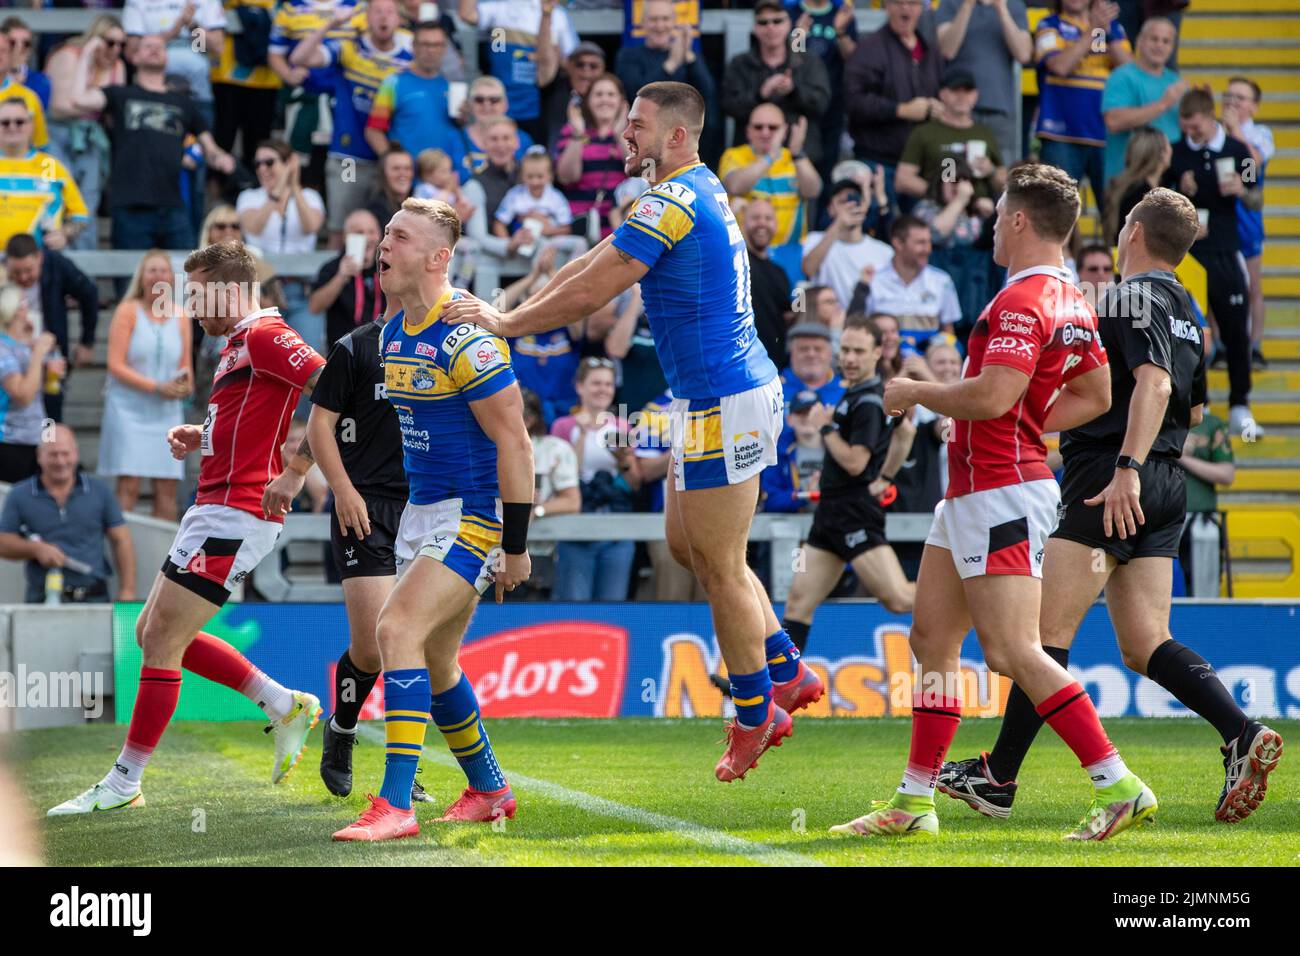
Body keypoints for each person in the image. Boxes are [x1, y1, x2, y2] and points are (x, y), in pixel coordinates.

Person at [442, 81, 822, 780]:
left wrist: (505, 324)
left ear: (676, 135)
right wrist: (516, 304)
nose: (624, 136)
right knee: (688, 546)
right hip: (714, 396)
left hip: (722, 399)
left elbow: (599, 288)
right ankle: (785, 672)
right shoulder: (684, 192)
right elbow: (594, 263)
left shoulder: (671, 199)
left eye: (637, 126)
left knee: (722, 564)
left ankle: (755, 713)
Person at [832, 163, 1155, 841]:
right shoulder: (1071, 298)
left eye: (999, 211)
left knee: (1013, 651)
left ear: (1017, 219)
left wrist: (918, 390)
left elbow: (991, 395)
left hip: (1000, 490)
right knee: (931, 639)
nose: (989, 226)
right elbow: (1096, 395)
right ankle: (914, 802)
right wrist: (1023, 420)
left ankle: (1118, 782)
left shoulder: (1021, 300)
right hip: (979, 489)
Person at [940, 188, 1283, 825]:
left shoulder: (1124, 297)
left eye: (1124, 223)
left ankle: (999, 777)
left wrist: (1124, 467)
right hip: (1168, 482)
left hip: (1110, 479)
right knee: (1146, 642)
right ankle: (1240, 732)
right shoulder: (1188, 309)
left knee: (1044, 636)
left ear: (1133, 233)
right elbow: (1195, 407)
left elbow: (1152, 381)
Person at [47, 240, 328, 817]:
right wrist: (199, 436)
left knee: (163, 641)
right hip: (213, 506)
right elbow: (252, 419)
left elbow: (335, 391)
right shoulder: (237, 344)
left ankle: (125, 780)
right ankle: (282, 703)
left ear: (229, 290)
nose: (190, 307)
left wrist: (297, 472)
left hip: (239, 512)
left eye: (197, 295)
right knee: (151, 632)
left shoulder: (267, 337)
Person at [331, 198, 532, 840]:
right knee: (439, 660)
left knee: (395, 631)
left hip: (471, 518)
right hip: (421, 514)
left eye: (398, 235)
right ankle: (490, 788)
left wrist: (517, 546)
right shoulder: (392, 332)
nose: (383, 243)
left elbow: (517, 443)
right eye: (384, 231)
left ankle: (396, 805)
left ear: (438, 257)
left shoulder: (467, 341)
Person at [261, 269, 431, 806]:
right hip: (363, 507)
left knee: (416, 643)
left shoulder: (443, 348)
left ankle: (402, 771)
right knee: (375, 644)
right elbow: (320, 423)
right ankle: (343, 728)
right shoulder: (356, 348)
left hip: (426, 509)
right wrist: (317, 481)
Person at [782, 316, 917, 658]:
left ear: (876, 353)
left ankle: (974, 595)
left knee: (899, 598)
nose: (850, 358)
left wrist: (826, 429)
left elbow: (856, 462)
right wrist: (885, 476)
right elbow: (905, 433)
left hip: (854, 511)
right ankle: (775, 690)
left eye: (859, 351)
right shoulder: (861, 394)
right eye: (845, 350)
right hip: (831, 513)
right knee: (798, 602)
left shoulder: (868, 401)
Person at [71, 33, 235, 252]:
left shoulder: (184, 103)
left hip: (174, 207)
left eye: (160, 46)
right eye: (147, 46)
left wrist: (220, 159)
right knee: (130, 283)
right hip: (130, 206)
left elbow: (210, 148)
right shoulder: (121, 95)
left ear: (167, 58)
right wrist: (88, 54)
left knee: (182, 282)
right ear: (134, 58)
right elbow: (78, 99)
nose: (155, 49)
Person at [1168, 88, 1261, 438]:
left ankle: (1241, 404)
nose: (1189, 133)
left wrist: (1241, 189)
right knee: (1189, 331)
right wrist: (1180, 187)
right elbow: (1161, 195)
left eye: (1194, 126)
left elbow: (1257, 198)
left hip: (1225, 249)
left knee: (1236, 329)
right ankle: (1196, 402)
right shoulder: (1176, 153)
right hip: (1189, 255)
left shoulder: (1241, 151)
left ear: (1209, 117)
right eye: (1185, 126)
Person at [290, 0, 412, 246]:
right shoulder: (350, 48)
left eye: (389, 12)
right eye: (376, 12)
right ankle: (339, 277)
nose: (383, 18)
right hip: (349, 157)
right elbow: (299, 57)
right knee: (341, 229)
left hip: (388, 159)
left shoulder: (409, 54)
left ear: (399, 19)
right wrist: (332, 24)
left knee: (390, 232)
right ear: (366, 17)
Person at [98, 250, 192, 522]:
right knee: (129, 485)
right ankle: (123, 557)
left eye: (163, 271)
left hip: (166, 411)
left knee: (167, 487)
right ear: (141, 277)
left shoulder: (181, 315)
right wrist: (156, 387)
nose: (157, 277)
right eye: (152, 271)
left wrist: (183, 388)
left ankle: (161, 559)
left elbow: (186, 366)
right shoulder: (128, 310)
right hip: (128, 409)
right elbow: (115, 365)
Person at [0, 424, 137, 604]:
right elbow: (3, 543)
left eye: (65, 453)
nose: (60, 461)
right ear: (39, 456)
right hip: (42, 598)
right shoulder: (20, 494)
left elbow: (121, 540)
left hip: (93, 596)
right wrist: (35, 549)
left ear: (76, 454)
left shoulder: (99, 491)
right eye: (53, 454)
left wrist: (127, 590)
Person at [549, 358, 638, 601]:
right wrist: (582, 434)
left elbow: (635, 483)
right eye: (596, 383)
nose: (603, 389)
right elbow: (562, 477)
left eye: (608, 384)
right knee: (574, 605)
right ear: (580, 386)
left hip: (615, 524)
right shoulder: (563, 426)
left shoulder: (622, 425)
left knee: (613, 603)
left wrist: (622, 460)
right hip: (577, 524)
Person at [1034, 0, 1132, 218]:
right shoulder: (1049, 25)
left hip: (1107, 135)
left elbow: (1129, 73)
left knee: (1116, 213)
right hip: (1061, 134)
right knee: (1057, 214)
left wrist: (1108, 33)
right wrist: (1093, 31)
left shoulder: (1113, 27)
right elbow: (1060, 66)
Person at [844, 0, 942, 205]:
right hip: (877, 161)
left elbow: (942, 91)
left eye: (912, 3)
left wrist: (940, 107)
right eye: (898, 2)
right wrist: (901, 110)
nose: (905, 8)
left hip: (918, 167)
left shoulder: (929, 50)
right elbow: (853, 101)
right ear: (886, 6)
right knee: (879, 229)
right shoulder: (869, 48)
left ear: (920, 9)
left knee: (917, 234)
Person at [45, 15, 126, 252]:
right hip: (58, 131)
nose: (116, 50)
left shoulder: (117, 66)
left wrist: (86, 103)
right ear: (95, 39)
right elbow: (61, 105)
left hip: (91, 135)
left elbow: (113, 108)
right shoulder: (69, 55)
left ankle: (85, 265)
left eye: (121, 44)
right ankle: (59, 256)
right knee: (60, 191)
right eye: (110, 43)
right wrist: (87, 56)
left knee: (89, 198)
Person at [721, 0, 831, 171]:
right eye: (763, 22)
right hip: (750, 160)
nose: (770, 27)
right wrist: (761, 94)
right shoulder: (740, 63)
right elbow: (728, 106)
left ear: (789, 24)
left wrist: (793, 90)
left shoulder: (808, 61)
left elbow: (821, 104)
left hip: (799, 158)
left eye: (777, 21)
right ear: (755, 27)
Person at [720, 103, 822, 287]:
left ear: (785, 131)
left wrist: (797, 154)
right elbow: (734, 186)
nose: (765, 133)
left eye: (773, 127)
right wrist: (770, 157)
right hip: (748, 254)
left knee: (797, 308)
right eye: (758, 127)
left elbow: (814, 190)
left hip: (791, 254)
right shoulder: (734, 155)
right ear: (748, 131)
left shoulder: (795, 158)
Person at [1, 233, 99, 424]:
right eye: (16, 272)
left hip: (49, 358)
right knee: (13, 416)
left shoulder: (56, 264)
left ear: (40, 257)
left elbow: (88, 292)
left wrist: (87, 341)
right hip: (9, 359)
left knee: (50, 424)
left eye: (29, 270)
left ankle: (48, 449)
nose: (23, 277)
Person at [457, 0, 578, 146]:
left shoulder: (558, 16)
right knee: (498, 38)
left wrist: (548, 53)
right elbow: (466, 14)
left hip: (533, 108)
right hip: (496, 107)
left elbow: (571, 61)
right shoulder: (499, 9)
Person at [936, 0, 1033, 164]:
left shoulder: (1014, 5)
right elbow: (947, 50)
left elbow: (1023, 54)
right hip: (958, 108)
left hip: (1000, 111)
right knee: (955, 172)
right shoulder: (950, 3)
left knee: (1002, 175)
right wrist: (967, 6)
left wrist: (1002, 9)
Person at [1221, 77, 1275, 371]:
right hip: (1221, 217)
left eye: (1241, 98)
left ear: (1254, 106)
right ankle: (1219, 346)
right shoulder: (1216, 131)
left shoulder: (1260, 134)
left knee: (1253, 285)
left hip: (1248, 218)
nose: (1233, 102)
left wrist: (1235, 131)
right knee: (1219, 284)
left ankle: (1254, 346)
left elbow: (1254, 159)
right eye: (1229, 96)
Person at [896, 69, 1006, 202]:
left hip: (979, 211)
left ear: (976, 95)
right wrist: (941, 195)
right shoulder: (924, 132)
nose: (962, 96)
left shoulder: (985, 133)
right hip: (937, 209)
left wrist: (991, 171)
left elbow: (1004, 183)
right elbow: (903, 180)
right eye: (956, 90)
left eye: (967, 91)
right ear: (942, 94)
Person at [785, 0, 859, 196]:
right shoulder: (791, 12)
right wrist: (799, 34)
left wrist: (841, 31)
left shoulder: (841, 13)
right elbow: (793, 62)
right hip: (803, 104)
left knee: (828, 171)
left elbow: (853, 60)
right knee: (797, 171)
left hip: (834, 105)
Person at [1101, 16, 1185, 186]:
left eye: (1166, 41)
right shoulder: (1121, 76)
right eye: (1154, 39)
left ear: (1172, 47)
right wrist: (1162, 104)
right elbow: (1113, 121)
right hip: (1126, 182)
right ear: (1139, 41)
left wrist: (1200, 109)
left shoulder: (1177, 81)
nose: (1159, 45)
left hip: (1168, 182)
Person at [913, 159, 995, 332]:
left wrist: (991, 213)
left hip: (973, 294)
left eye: (961, 180)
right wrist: (959, 201)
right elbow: (935, 233)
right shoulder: (927, 208)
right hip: (937, 289)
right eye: (950, 180)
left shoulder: (977, 214)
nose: (955, 185)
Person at [364, 20, 460, 165]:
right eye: (425, 44)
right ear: (413, 46)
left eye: (437, 45)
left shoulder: (452, 86)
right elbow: (373, 131)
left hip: (445, 178)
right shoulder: (393, 82)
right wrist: (394, 164)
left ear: (445, 48)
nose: (431, 50)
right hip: (408, 181)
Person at [0, 96, 88, 252]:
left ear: (31, 125)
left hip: (39, 262)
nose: (12, 127)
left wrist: (64, 234)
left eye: (19, 122)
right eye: (5, 122)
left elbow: (79, 215)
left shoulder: (49, 166)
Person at [866, 215, 962, 349]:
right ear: (898, 243)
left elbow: (948, 331)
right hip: (886, 360)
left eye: (928, 242)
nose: (927, 249)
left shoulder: (942, 281)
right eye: (920, 243)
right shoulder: (874, 280)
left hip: (928, 363)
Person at [614, 0, 715, 127]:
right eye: (653, 19)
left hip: (681, 130)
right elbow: (636, 94)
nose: (660, 25)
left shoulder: (686, 55)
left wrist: (689, 55)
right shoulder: (628, 56)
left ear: (674, 22)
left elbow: (707, 92)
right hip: (643, 130)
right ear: (643, 22)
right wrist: (670, 65)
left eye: (665, 19)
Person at [554, 72, 629, 240]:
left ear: (622, 102)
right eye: (598, 94)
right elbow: (566, 177)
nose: (604, 99)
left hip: (620, 228)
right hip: (582, 229)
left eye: (610, 94)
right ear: (588, 101)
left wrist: (619, 135)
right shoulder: (571, 131)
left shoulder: (634, 133)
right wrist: (577, 134)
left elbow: (643, 175)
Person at [122, 0, 225, 122]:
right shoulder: (138, 2)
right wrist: (175, 29)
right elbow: (132, 53)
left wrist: (192, 26)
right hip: (153, 95)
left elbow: (215, 48)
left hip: (198, 96)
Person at [0, 284, 62, 483]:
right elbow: (23, 394)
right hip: (9, 440)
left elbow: (35, 385)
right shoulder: (2, 349)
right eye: (23, 303)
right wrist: (38, 354)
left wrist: (49, 368)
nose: (28, 308)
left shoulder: (22, 345)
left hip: (34, 437)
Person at [211, 0, 281, 174]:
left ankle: (257, 189)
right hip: (228, 74)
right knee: (223, 139)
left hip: (266, 77)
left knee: (258, 143)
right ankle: (218, 192)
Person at [802, 178, 894, 310]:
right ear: (830, 209)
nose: (850, 206)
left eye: (855, 200)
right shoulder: (816, 239)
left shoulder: (884, 251)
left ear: (864, 206)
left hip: (866, 325)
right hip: (827, 323)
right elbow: (808, 269)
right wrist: (838, 225)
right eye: (842, 202)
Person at [1178, 401, 1234, 597]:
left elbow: (1226, 474)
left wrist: (1182, 458)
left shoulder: (1211, 424)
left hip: (1200, 517)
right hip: (1156, 516)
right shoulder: (1153, 416)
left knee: (1204, 591)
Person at [309, 209, 385, 348]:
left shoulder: (387, 266)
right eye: (359, 233)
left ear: (379, 234)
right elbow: (314, 307)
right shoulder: (333, 267)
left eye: (371, 232)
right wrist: (341, 276)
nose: (367, 238)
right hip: (344, 349)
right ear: (346, 237)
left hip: (380, 346)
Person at [237, 139, 325, 255]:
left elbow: (311, 227)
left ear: (288, 163)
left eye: (269, 163)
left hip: (302, 269)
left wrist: (294, 184)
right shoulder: (248, 196)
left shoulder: (310, 196)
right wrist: (277, 192)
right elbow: (253, 228)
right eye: (257, 164)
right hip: (260, 269)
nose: (262, 169)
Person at [743, 198, 793, 369]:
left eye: (768, 218)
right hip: (740, 362)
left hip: (773, 365)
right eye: (755, 218)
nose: (762, 223)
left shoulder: (780, 271)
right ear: (743, 222)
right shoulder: (735, 261)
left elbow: (790, 312)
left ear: (776, 225)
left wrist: (803, 304)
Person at [457, 76, 536, 181]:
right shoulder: (454, 139)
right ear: (470, 105)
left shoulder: (523, 139)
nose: (486, 105)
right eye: (479, 100)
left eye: (494, 100)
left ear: (505, 105)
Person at [760, 389, 825, 514]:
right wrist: (806, 495)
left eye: (812, 412)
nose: (806, 418)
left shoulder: (838, 448)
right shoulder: (777, 451)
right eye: (800, 413)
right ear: (789, 419)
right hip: (793, 525)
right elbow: (770, 499)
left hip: (835, 522)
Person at [1105, 126, 1171, 245]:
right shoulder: (1140, 195)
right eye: (1168, 145)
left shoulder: (1129, 188)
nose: (1172, 149)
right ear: (1161, 154)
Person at [0, 30, 49, 152]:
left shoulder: (29, 97)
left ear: (11, 56)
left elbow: (42, 147)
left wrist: (46, 171)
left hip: (19, 167)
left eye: (2, 51)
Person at [781, 323, 843, 410]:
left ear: (830, 354)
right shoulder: (776, 388)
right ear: (791, 354)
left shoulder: (845, 391)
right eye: (804, 349)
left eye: (818, 349)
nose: (811, 354)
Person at [364, 143, 416, 229]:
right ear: (383, 173)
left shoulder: (420, 199)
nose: (403, 174)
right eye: (396, 168)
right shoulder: (375, 208)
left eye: (407, 168)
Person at [1076, 242, 1117, 310]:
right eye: (1093, 269)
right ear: (1079, 272)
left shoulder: (1119, 305)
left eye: (1107, 269)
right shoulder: (1066, 303)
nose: (1101, 273)